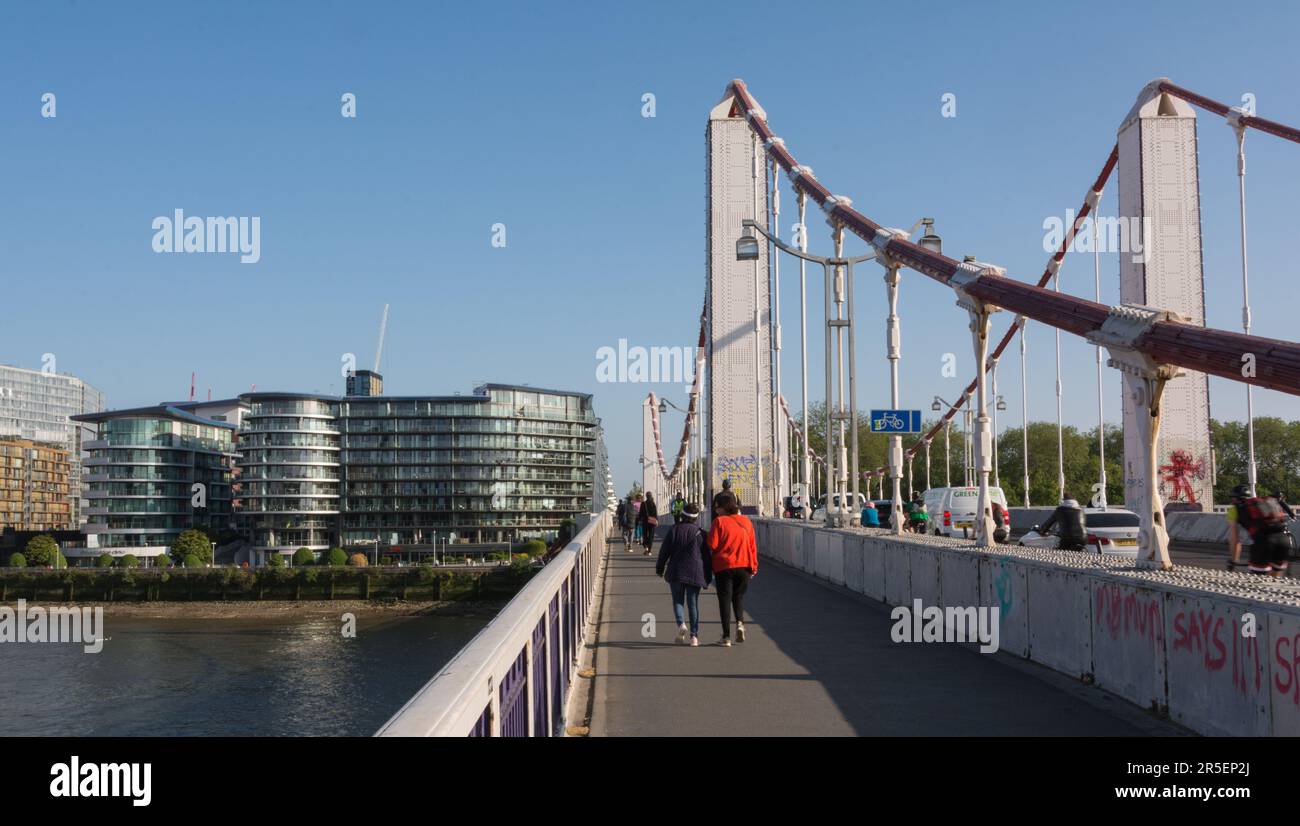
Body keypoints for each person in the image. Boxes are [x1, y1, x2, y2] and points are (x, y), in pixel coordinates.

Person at [655, 502, 711, 646]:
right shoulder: (701, 533)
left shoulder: (674, 530)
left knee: (678, 601)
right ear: (696, 518)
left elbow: (664, 551)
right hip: (695, 572)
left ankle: (681, 624)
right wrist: (708, 575)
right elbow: (707, 557)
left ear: (682, 515)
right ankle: (694, 636)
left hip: (676, 571)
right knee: (693, 604)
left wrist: (660, 568)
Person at [707, 491, 758, 647]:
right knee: (738, 597)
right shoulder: (747, 522)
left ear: (723, 508)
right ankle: (740, 623)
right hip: (744, 566)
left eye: (717, 508)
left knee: (724, 600)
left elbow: (712, 545)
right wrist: (754, 567)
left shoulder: (719, 522)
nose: (716, 510)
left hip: (724, 567)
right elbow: (752, 547)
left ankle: (726, 636)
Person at [1227, 484, 1291, 576]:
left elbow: (1235, 539)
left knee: (1259, 580)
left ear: (1234, 498)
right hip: (1283, 540)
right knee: (1275, 576)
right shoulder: (1261, 502)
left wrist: (1233, 561)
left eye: (1232, 498)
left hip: (1264, 542)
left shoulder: (1235, 509)